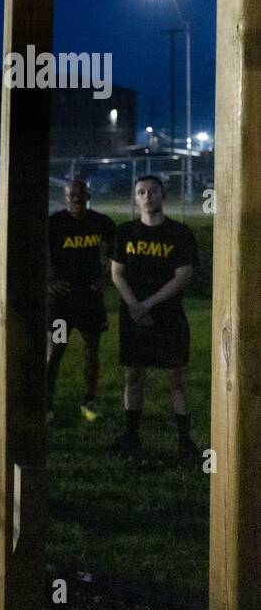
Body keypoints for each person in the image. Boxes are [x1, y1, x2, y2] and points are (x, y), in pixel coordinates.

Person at [109, 175, 200, 462]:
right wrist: (135, 305)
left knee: (177, 377)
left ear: (163, 195)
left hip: (167, 316)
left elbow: (183, 276)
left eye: (153, 191)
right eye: (141, 192)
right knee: (133, 375)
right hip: (134, 316)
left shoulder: (179, 233)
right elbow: (117, 273)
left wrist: (149, 303)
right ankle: (131, 436)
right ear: (135, 198)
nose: (147, 196)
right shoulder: (125, 233)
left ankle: (185, 442)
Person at [45, 179, 116, 424]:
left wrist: (106, 276)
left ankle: (89, 401)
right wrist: (48, 281)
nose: (76, 199)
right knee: (55, 350)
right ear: (65, 197)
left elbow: (118, 250)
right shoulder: (54, 223)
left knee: (91, 351)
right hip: (62, 302)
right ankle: (46, 405)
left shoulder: (100, 222)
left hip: (89, 300)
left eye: (81, 195)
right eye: (71, 195)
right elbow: (33, 251)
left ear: (88, 195)